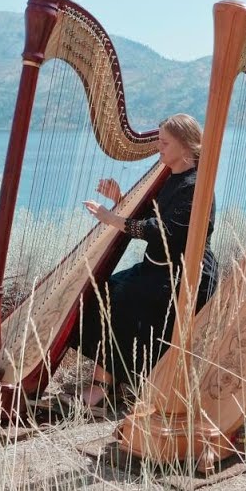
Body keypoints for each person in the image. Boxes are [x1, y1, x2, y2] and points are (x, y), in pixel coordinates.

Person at [69, 113, 216, 412]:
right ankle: (117, 376)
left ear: (186, 147)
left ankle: (104, 383)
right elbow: (153, 214)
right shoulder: (172, 176)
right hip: (156, 269)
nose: (157, 148)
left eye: (164, 143)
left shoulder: (195, 186)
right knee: (95, 293)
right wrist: (120, 197)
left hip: (183, 275)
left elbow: (165, 232)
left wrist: (112, 219)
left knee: (118, 300)